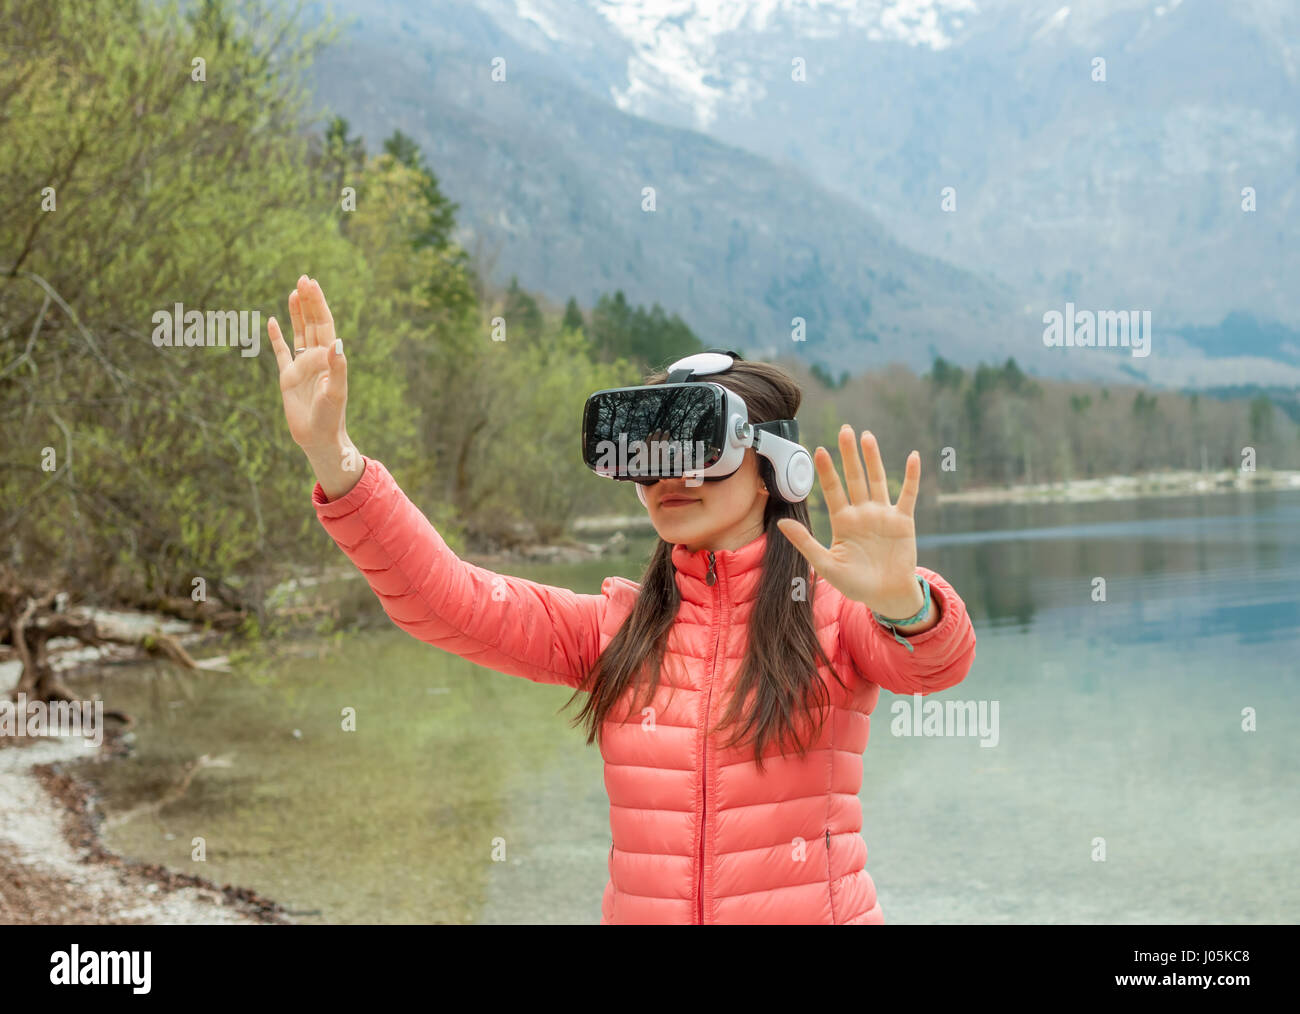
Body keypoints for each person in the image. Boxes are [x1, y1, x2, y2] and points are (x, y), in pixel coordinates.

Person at [267, 275, 977, 924]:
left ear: (772, 469)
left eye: (698, 446)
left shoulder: (833, 617)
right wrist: (335, 456)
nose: (671, 475)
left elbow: (935, 664)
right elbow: (447, 600)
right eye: (647, 454)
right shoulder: (617, 631)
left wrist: (905, 604)